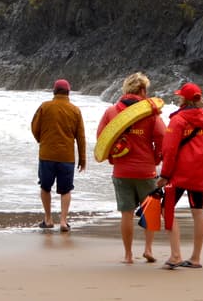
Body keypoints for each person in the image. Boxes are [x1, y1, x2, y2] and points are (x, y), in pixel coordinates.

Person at [97, 71, 166, 264]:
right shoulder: (151, 113)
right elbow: (162, 137)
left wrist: (113, 157)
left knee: (126, 213)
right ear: (143, 90)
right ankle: (148, 249)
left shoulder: (111, 112)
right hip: (146, 170)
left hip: (121, 171)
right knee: (150, 211)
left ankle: (128, 255)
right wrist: (156, 158)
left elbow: (102, 140)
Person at [156, 82, 203, 270]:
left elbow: (169, 151)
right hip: (200, 174)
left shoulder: (178, 121)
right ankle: (195, 258)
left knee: (166, 208)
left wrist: (165, 175)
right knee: (197, 211)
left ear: (183, 99)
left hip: (179, 174)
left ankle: (176, 255)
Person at [30, 78, 86, 232]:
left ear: (54, 92)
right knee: (66, 190)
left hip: (47, 155)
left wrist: (42, 140)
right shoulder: (75, 110)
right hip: (66, 157)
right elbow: (80, 137)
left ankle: (48, 219)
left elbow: (34, 127)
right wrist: (83, 158)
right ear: (68, 92)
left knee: (45, 187)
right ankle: (63, 221)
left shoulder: (45, 107)